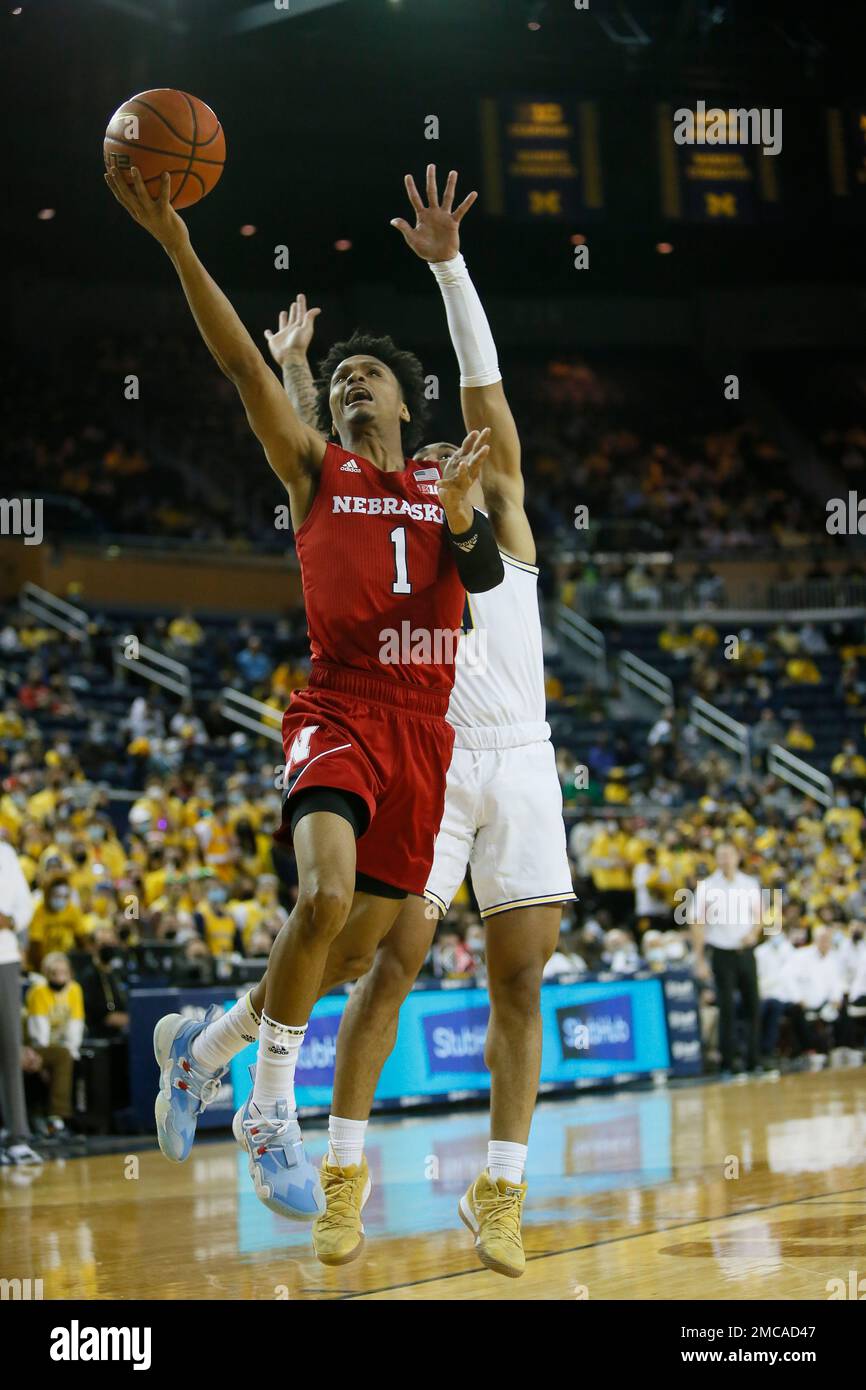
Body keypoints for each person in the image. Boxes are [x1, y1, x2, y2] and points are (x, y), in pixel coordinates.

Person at [106, 160, 504, 1220]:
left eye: (363, 374)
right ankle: (266, 1107)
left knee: (353, 949)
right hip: (339, 707)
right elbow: (243, 369)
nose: (348, 384)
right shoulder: (316, 472)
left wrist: (462, 516)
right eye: (337, 381)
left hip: (428, 729)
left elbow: (490, 580)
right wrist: (179, 244)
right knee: (321, 898)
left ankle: (206, 1042)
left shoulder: (442, 478)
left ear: (403, 396)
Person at [261, 165, 575, 1276]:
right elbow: (328, 471)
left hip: (522, 762)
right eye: (427, 458)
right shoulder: (389, 508)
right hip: (425, 751)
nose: (440, 463)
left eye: (455, 455)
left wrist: (449, 268)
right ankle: (340, 1176)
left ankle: (499, 1193)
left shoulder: (499, 521)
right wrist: (297, 368)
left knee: (521, 978)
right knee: (383, 966)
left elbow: (481, 389)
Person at [691, 842, 763, 1075]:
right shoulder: (707, 886)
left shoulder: (750, 884)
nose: (725, 860)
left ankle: (754, 1060)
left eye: (728, 855)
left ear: (737, 857)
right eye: (720, 855)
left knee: (753, 1006)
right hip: (721, 953)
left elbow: (761, 916)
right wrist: (699, 959)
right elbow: (697, 923)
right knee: (727, 1009)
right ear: (715, 859)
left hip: (746, 952)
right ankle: (728, 1063)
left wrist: (753, 934)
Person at [0, 836, 41, 1164]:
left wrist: (10, 921)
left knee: (9, 1048)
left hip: (4, 957)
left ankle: (17, 1136)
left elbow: (23, 907)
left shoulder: (6, 853)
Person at [25, 951, 85, 1134]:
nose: (60, 978)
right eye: (54, 973)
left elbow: (76, 1024)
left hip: (62, 1047)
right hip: (37, 1047)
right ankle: (56, 1117)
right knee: (63, 1056)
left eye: (63, 973)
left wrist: (72, 1050)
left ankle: (69, 1118)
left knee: (70, 1056)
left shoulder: (74, 989)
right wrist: (45, 1062)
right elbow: (38, 1031)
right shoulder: (38, 992)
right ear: (46, 974)